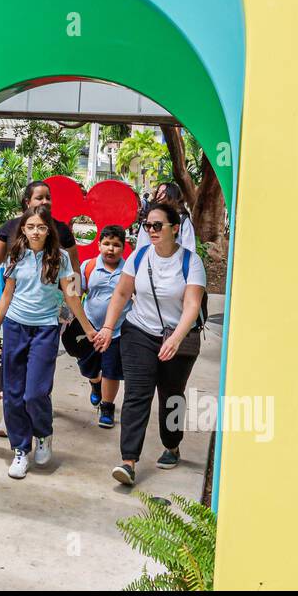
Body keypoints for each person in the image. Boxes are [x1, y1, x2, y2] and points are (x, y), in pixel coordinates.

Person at [92, 201, 206, 486]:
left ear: (175, 229)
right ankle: (128, 461)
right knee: (137, 395)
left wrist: (177, 338)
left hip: (176, 337)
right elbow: (121, 293)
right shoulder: (139, 257)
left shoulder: (191, 262)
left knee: (171, 394)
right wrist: (108, 327)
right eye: (148, 225)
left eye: (158, 225)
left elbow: (192, 304)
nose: (152, 230)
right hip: (139, 332)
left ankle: (172, 444)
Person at [0, 204, 98, 479]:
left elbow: (72, 296)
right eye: (31, 226)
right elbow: (7, 296)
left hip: (45, 330)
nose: (36, 231)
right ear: (23, 229)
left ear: (49, 231)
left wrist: (88, 328)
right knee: (12, 394)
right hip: (14, 327)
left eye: (41, 227)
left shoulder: (61, 259)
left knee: (35, 392)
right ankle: (21, 449)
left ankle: (44, 435)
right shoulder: (15, 256)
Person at [0, 180, 80, 314]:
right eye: (39, 198)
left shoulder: (63, 230)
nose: (45, 202)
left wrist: (75, 298)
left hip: (51, 307)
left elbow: (74, 267)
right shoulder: (10, 227)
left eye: (48, 198)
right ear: (27, 202)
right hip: (16, 304)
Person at [78, 224, 126, 428]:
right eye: (106, 244)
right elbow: (75, 293)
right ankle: (94, 384)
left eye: (116, 245)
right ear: (99, 245)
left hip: (118, 330)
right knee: (87, 367)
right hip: (90, 327)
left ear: (123, 248)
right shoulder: (87, 266)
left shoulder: (129, 271)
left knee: (111, 370)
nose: (110, 249)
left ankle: (107, 407)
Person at [154, 182, 197, 254]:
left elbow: (189, 249)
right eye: (158, 191)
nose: (159, 194)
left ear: (172, 195)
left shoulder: (182, 219)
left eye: (163, 192)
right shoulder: (151, 218)